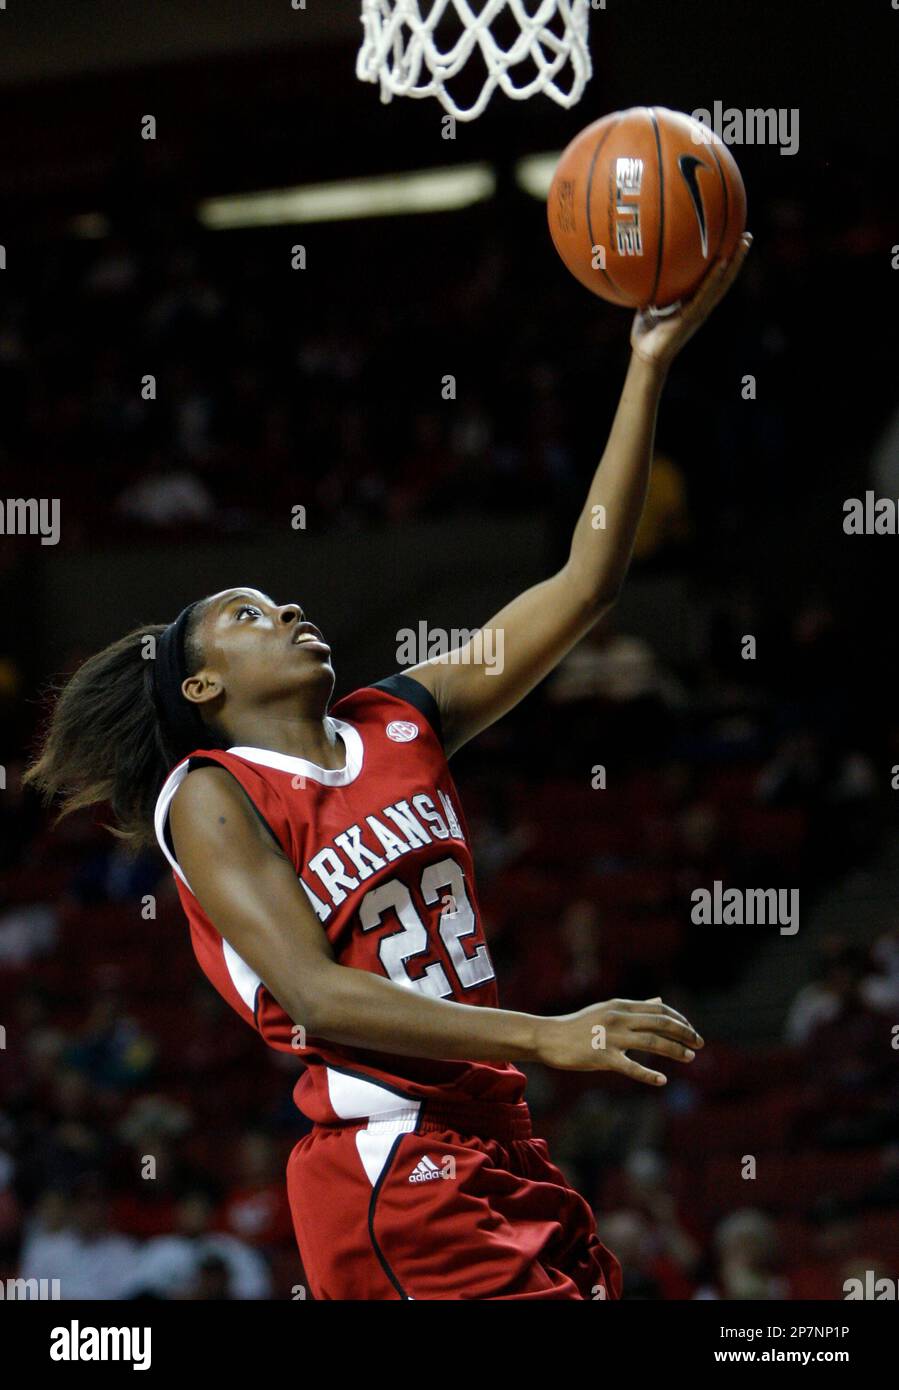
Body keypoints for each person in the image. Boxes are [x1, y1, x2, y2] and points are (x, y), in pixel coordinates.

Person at [25, 235, 751, 1300]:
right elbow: (316, 996)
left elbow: (586, 582)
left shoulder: (402, 718)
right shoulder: (211, 794)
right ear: (200, 691)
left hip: (497, 1140)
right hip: (393, 1169)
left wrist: (646, 365)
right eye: (247, 614)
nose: (286, 610)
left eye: (281, 599)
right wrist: (547, 1032)